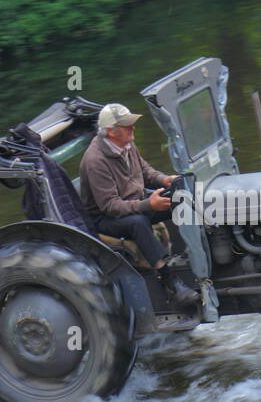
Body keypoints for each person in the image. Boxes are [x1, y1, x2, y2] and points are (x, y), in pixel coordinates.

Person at [78, 103, 198, 306]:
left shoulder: (127, 144)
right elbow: (110, 206)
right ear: (110, 131)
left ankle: (194, 255)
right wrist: (147, 205)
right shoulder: (95, 161)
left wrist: (165, 180)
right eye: (127, 125)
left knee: (180, 199)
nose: (132, 128)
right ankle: (170, 282)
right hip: (104, 219)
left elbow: (145, 172)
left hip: (135, 204)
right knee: (138, 222)